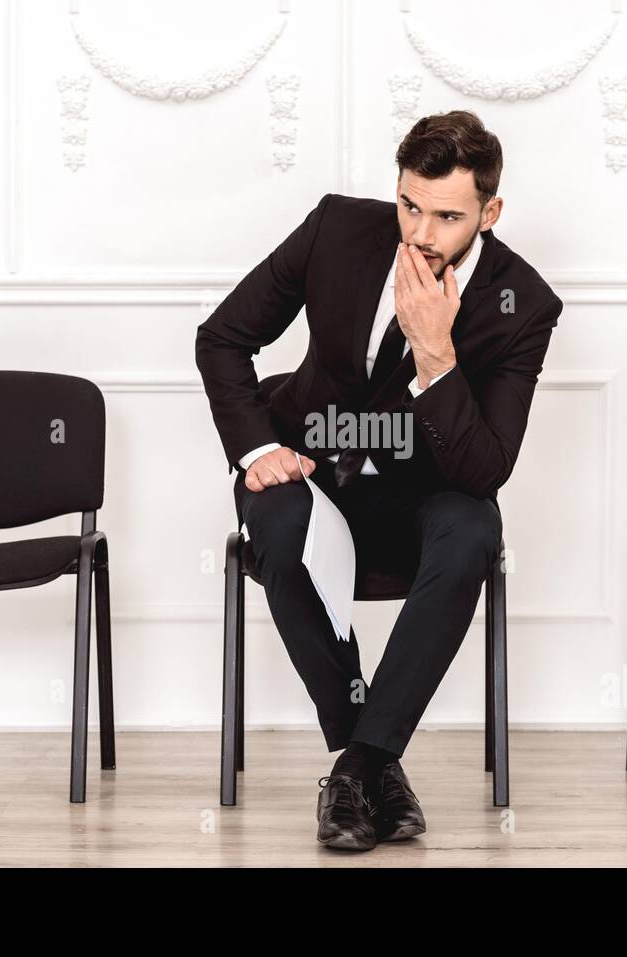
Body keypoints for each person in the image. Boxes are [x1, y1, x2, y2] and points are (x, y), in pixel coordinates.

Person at [195, 110, 562, 851]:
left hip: (415, 494)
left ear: (489, 212)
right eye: (410, 206)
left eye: (448, 215)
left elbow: (485, 467)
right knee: (277, 521)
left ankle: (358, 766)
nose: (422, 232)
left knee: (473, 529)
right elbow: (223, 337)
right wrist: (256, 446)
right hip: (308, 470)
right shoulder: (339, 230)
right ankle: (373, 761)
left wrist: (438, 358)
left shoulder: (524, 304)